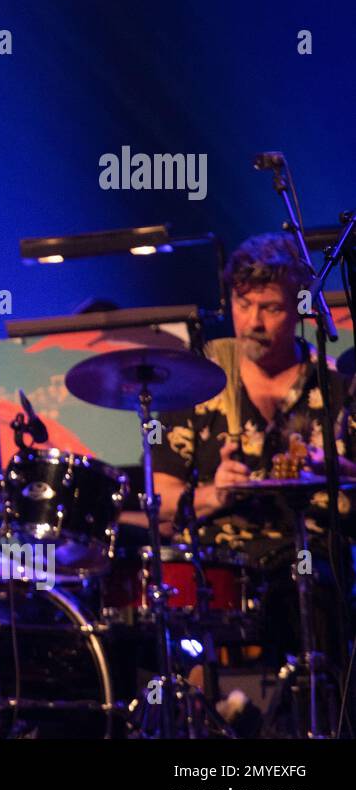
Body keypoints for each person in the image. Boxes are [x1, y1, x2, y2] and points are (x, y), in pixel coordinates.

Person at [137, 232, 354, 672]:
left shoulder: (334, 385)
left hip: (306, 556)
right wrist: (216, 494)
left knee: (319, 587)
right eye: (243, 304)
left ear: (299, 309)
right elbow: (159, 495)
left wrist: (332, 469)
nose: (253, 321)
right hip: (217, 562)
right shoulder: (195, 381)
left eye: (270, 308)